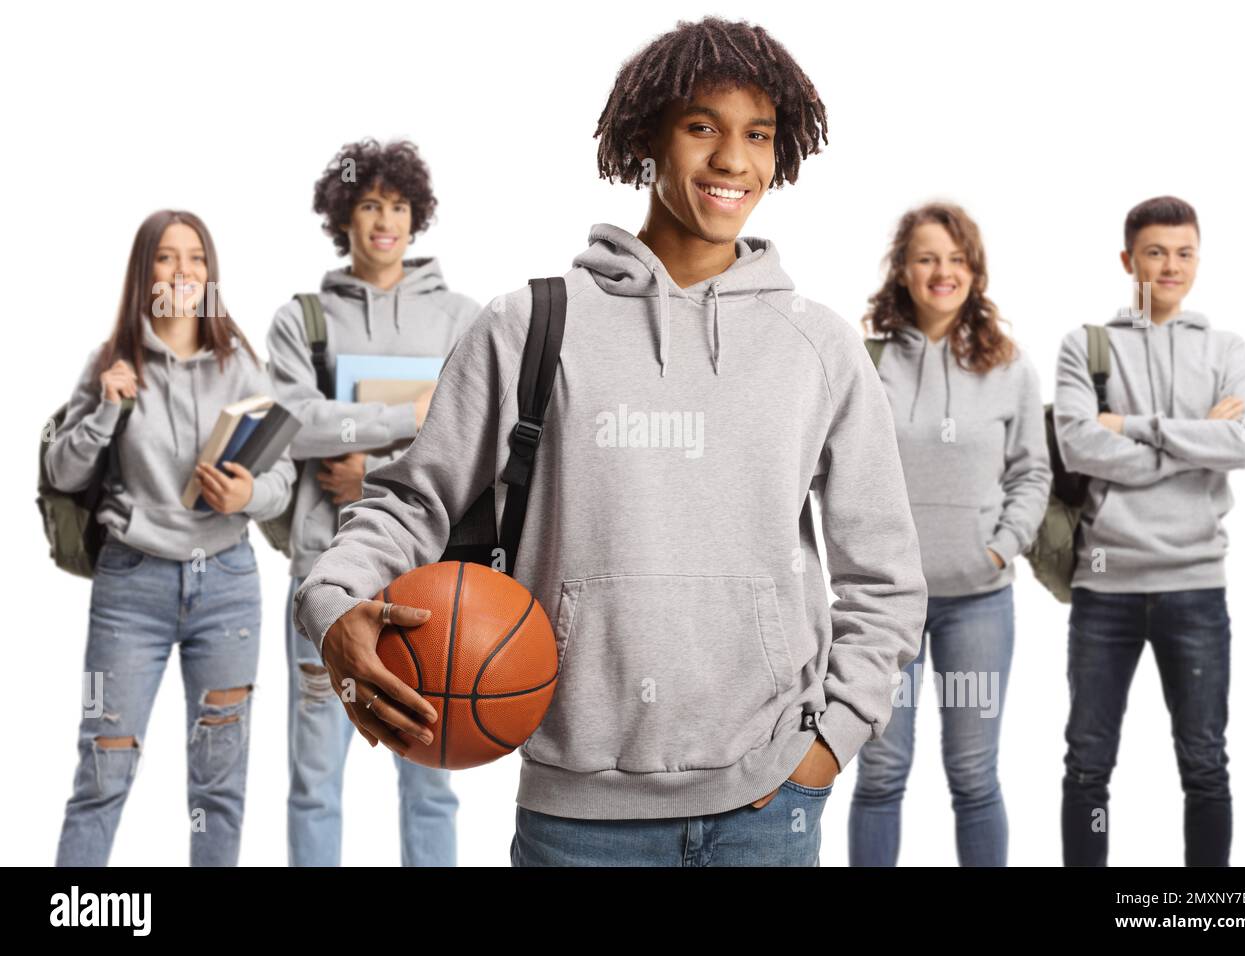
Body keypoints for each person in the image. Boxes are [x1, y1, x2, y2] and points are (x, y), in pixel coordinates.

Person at [293, 16, 927, 868]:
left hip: (769, 802)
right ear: (646, 138)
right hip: (576, 817)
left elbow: (883, 576)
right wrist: (332, 602)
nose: (733, 160)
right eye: (703, 127)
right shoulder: (530, 324)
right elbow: (414, 502)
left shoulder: (820, 346)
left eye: (758, 136)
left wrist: (830, 744)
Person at [51, 210, 295, 866]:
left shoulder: (240, 363)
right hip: (132, 588)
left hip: (229, 589)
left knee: (219, 784)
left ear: (210, 272)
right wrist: (106, 410)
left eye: (196, 258)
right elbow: (63, 469)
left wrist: (248, 495)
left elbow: (284, 479)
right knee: (102, 773)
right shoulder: (110, 363)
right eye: (166, 257)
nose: (183, 271)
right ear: (144, 272)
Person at [266, 139, 480, 867]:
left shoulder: (462, 318)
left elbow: (475, 442)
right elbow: (290, 425)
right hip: (324, 575)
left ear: (416, 217)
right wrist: (406, 421)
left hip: (430, 580)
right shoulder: (304, 319)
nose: (384, 221)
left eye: (397, 206)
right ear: (343, 216)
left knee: (430, 774)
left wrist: (372, 478)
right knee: (315, 775)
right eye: (368, 204)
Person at [1053, 195, 1245, 866]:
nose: (1170, 266)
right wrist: (1196, 437)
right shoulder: (1087, 345)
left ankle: (1203, 909)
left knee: (1205, 765)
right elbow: (1080, 446)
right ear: (1128, 260)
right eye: (1155, 252)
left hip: (1195, 584)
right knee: (1088, 765)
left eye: (1184, 252)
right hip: (1104, 586)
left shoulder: (1225, 347)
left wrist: (1135, 427)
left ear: (1197, 259)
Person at [850, 202, 1051, 866]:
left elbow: (1031, 471)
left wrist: (1001, 545)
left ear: (975, 271)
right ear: (903, 270)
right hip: (887, 608)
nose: (944, 272)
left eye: (957, 259)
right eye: (928, 257)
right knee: (880, 775)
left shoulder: (1011, 368)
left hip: (979, 602)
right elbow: (838, 472)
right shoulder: (867, 360)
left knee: (974, 777)